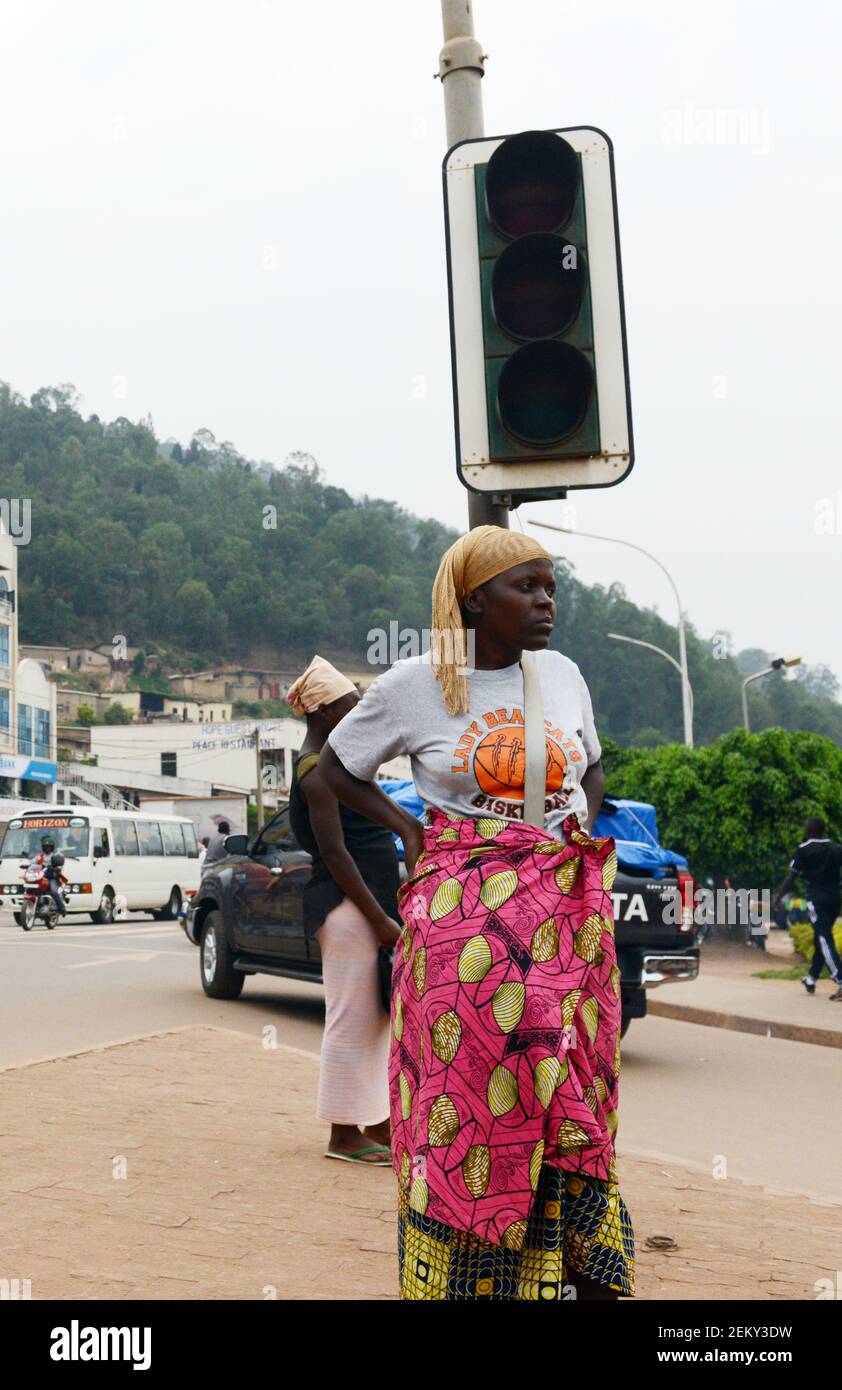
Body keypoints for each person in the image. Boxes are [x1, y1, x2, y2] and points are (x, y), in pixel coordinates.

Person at [320, 525, 635, 1302]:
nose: (545, 602)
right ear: (474, 600)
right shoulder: (412, 684)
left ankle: (578, 1274)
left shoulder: (561, 675)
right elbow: (334, 771)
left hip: (564, 913)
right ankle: (467, 1284)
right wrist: (409, 829)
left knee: (571, 1103)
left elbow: (592, 763)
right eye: (525, 587)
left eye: (549, 586)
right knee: (468, 1112)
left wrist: (581, 820)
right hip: (461, 927)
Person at [286, 655, 401, 1165]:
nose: (357, 716)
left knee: (375, 1018)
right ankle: (342, 1134)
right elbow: (335, 853)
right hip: (348, 906)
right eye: (349, 708)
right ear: (323, 714)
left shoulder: (343, 768)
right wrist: (379, 919)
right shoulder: (316, 775)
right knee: (350, 1019)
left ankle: (376, 1121)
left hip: (367, 904)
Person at [773, 817, 842, 1000]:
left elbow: (791, 878)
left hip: (816, 900)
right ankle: (811, 977)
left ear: (810, 829)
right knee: (821, 936)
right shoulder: (836, 848)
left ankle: (840, 979)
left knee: (824, 937)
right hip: (835, 899)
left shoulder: (803, 849)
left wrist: (778, 898)